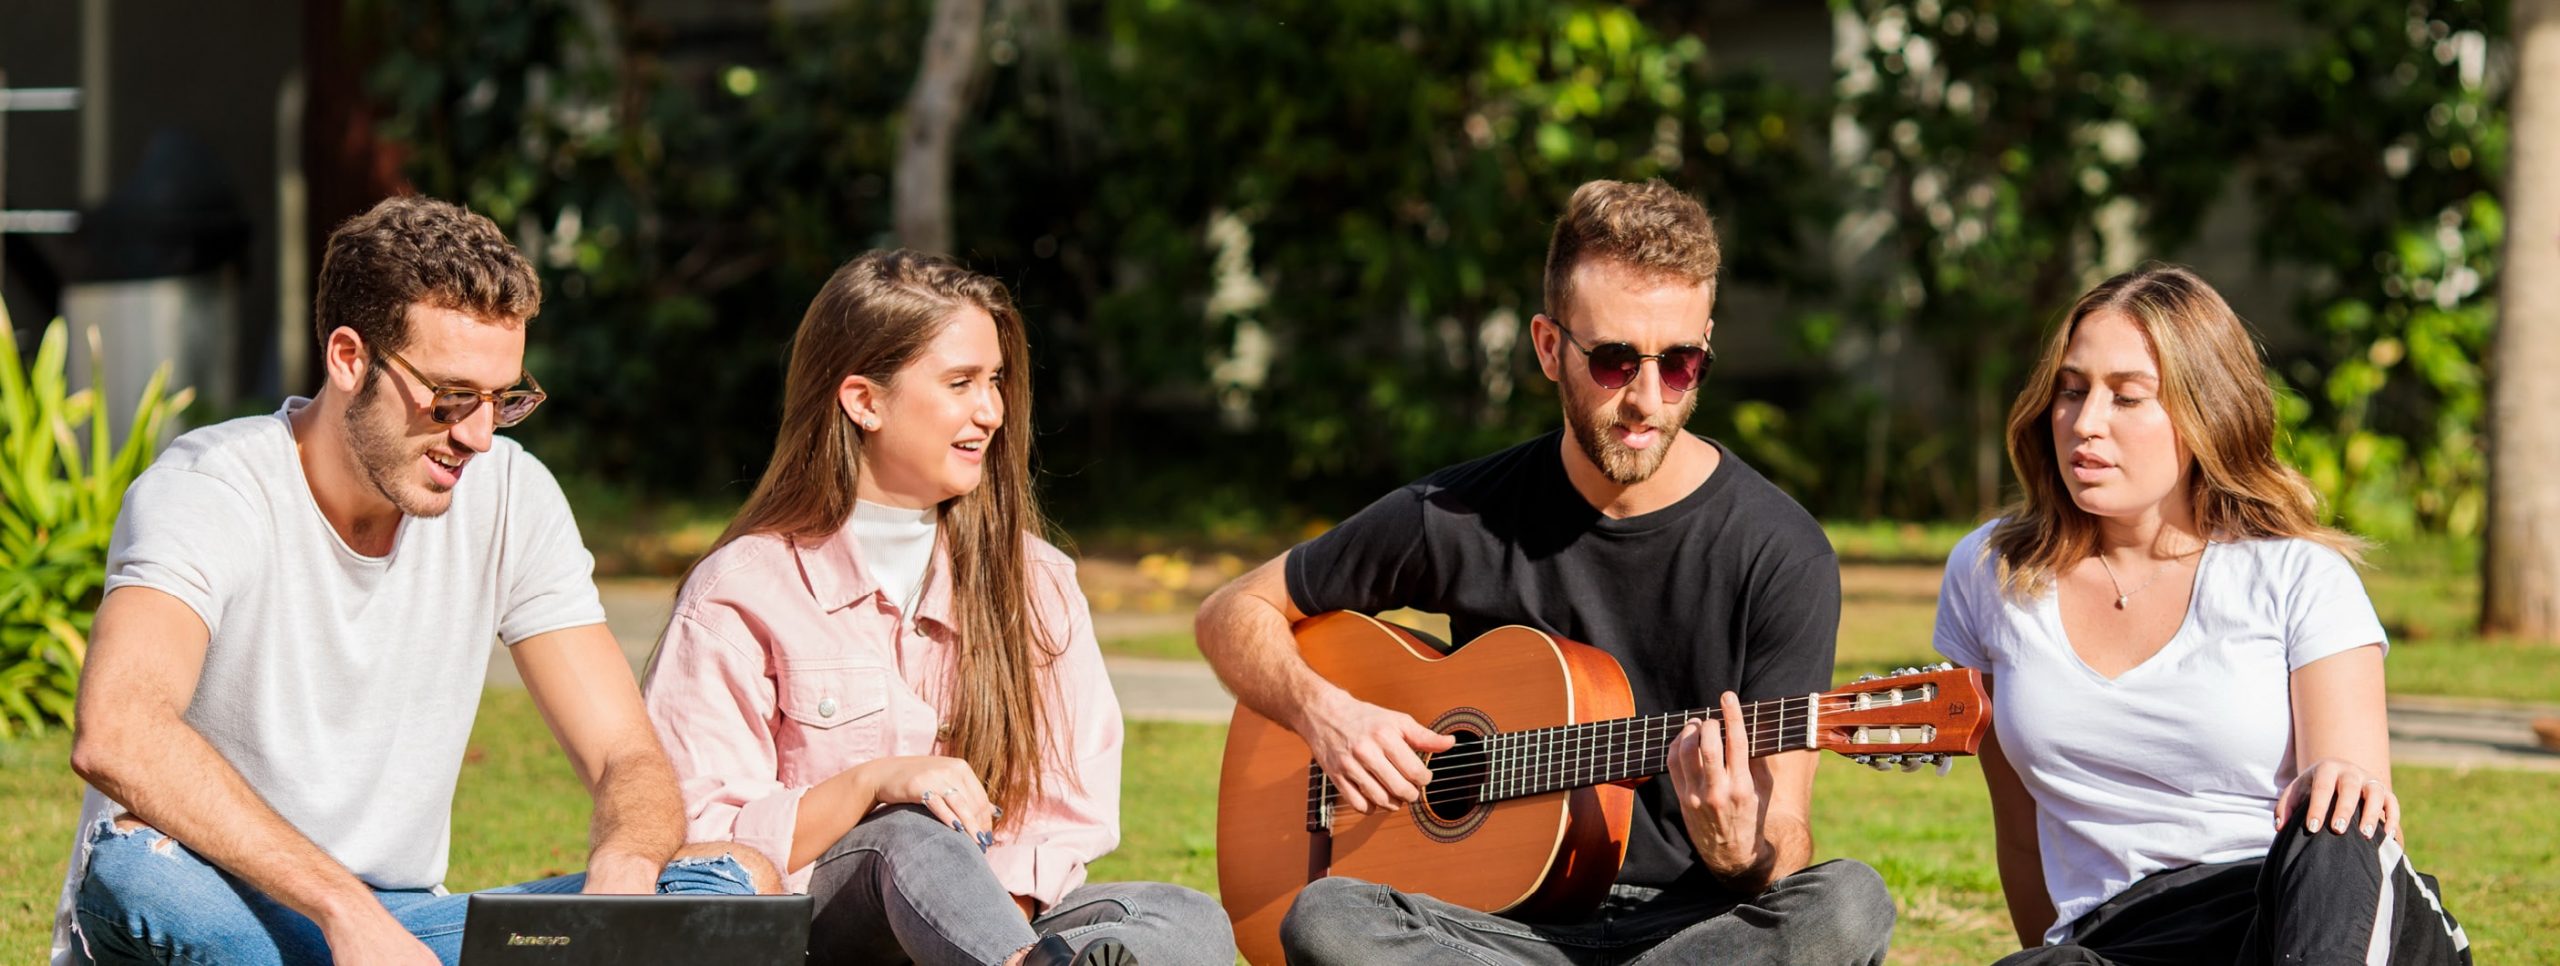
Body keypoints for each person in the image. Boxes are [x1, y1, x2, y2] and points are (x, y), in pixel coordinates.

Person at [1193, 179, 1896, 965]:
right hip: (1494, 932)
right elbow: (1230, 613)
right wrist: (1328, 715)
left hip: (1685, 933)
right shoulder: (1459, 512)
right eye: (1613, 360)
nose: (1646, 400)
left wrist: (1740, 853)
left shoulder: (1780, 551)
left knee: (1847, 904)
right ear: (1549, 346)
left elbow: (1785, 836)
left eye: (1681, 363)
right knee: (1327, 918)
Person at [55, 195, 770, 966]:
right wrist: (341, 910)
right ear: (349, 358)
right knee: (137, 871)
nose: (478, 435)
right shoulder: (211, 488)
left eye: (503, 400)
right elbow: (119, 732)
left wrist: (627, 868)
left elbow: (624, 755)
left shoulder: (511, 498)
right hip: (218, 902)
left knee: (732, 878)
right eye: (451, 397)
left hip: (406, 934)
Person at [641, 249, 1234, 966]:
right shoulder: (741, 590)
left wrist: (982, 922)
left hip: (985, 924)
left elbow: (1064, 809)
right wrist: (873, 784)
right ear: (864, 400)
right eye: (960, 383)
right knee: (911, 832)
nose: (991, 411)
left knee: (1181, 917)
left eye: (995, 382)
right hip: (813, 930)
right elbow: (698, 837)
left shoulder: (1037, 581)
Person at [1932, 264, 2471, 965]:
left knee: (2334, 824)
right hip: (2123, 936)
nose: (2085, 423)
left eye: (2128, 398)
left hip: (2301, 915)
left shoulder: (2297, 575)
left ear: (2204, 412)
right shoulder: (1991, 573)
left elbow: (2354, 826)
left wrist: (2340, 783)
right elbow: (2020, 832)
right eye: (2071, 390)